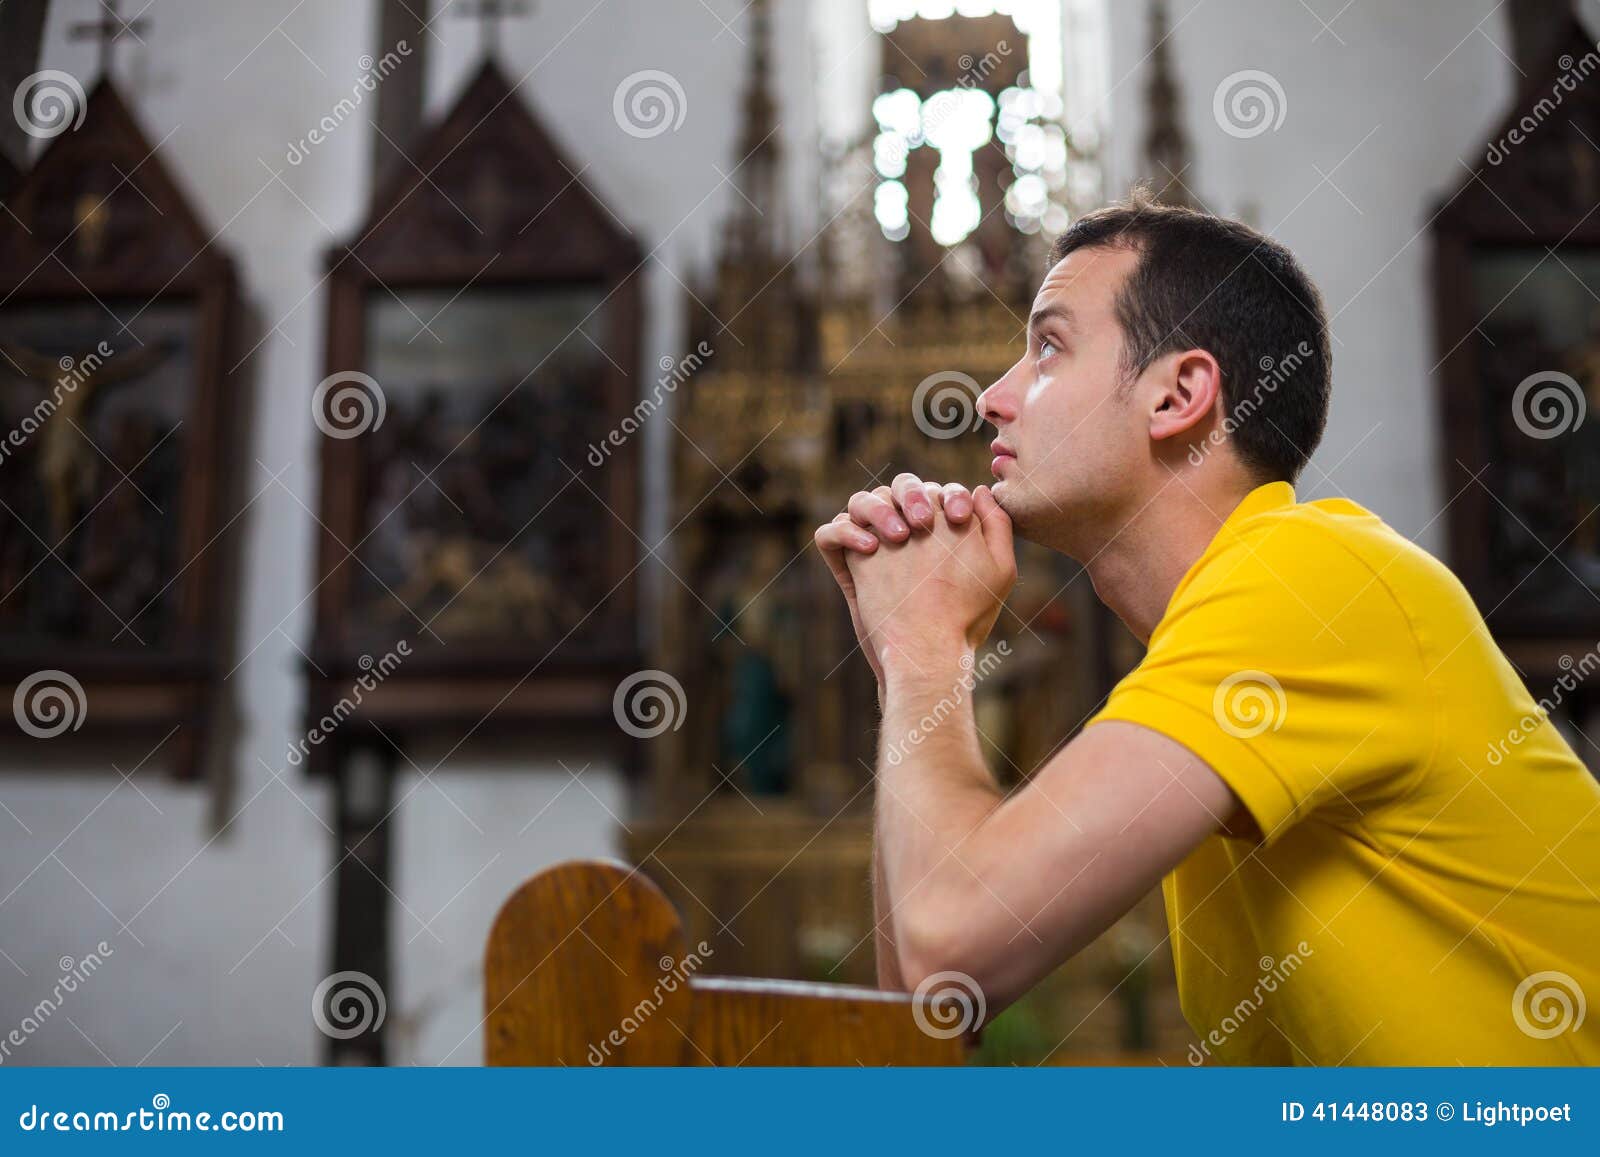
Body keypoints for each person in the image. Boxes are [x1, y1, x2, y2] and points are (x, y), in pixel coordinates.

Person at [813, 191, 1600, 1065]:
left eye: (1047, 347)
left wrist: (926, 646)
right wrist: (907, 656)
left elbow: (946, 952)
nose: (991, 398)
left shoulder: (1308, 577)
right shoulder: (1209, 645)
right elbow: (925, 1008)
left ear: (1180, 394)